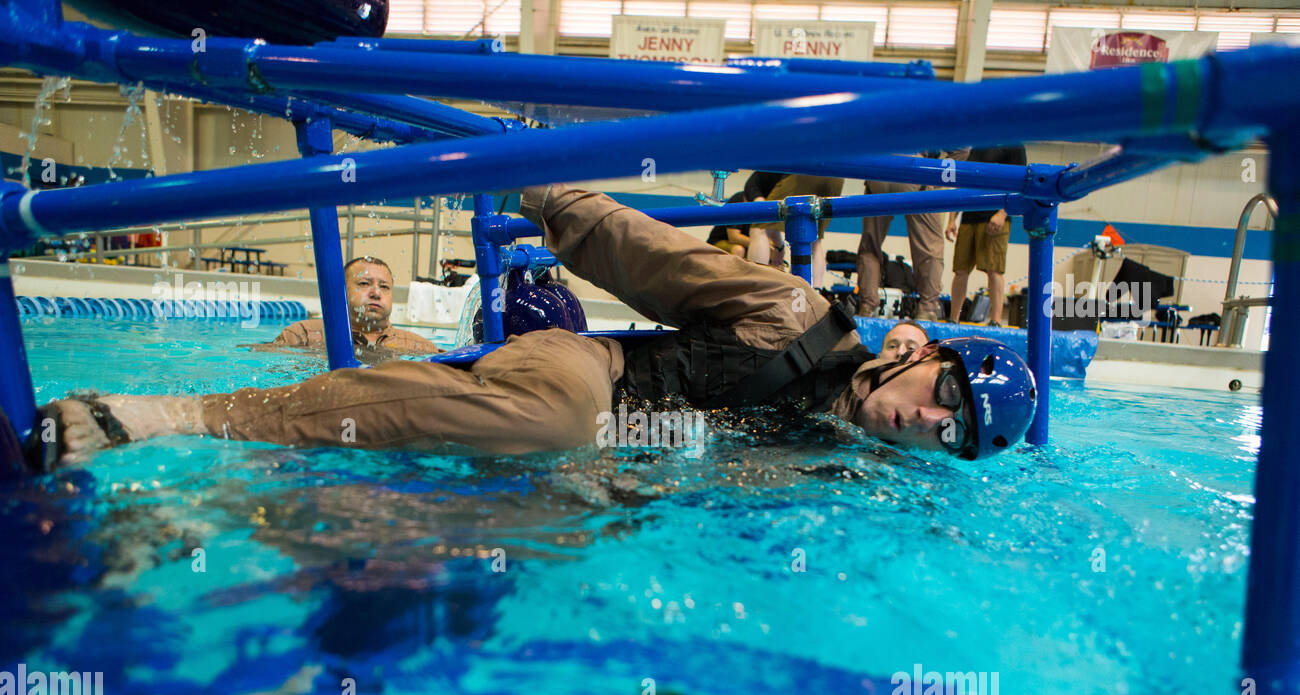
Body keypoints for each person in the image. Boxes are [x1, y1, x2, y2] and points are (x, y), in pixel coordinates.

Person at [29, 184, 1036, 470]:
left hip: (616, 479)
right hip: (588, 384)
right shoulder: (790, 315)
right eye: (946, 395)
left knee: (491, 569)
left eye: (957, 437)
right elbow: (630, 247)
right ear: (916, 348)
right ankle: (182, 411)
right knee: (559, 421)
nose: (930, 424)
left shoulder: (855, 473)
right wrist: (505, 170)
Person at [856, 149, 971, 320]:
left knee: (870, 245)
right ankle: (927, 309)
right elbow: (963, 148)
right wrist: (936, 176)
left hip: (878, 169)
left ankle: (867, 305)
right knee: (929, 247)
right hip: (914, 170)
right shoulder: (931, 120)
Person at [266, 255, 441, 354]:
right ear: (341, 291)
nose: (376, 293)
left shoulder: (418, 347)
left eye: (384, 287)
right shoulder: (304, 336)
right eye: (364, 284)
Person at [945, 144, 1029, 328]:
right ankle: (953, 318)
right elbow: (964, 183)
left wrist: (1003, 213)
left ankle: (996, 320)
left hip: (995, 215)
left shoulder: (1015, 146)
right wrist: (952, 218)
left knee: (994, 270)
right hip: (970, 215)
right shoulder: (979, 145)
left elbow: (1019, 185)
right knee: (960, 270)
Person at [747, 174, 845, 287]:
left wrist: (779, 247)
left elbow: (765, 216)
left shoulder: (754, 184)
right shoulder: (768, 176)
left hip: (806, 169)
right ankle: (815, 293)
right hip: (836, 176)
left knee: (759, 228)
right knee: (815, 240)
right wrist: (780, 247)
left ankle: (756, 288)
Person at [705, 193, 751, 257]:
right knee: (738, 250)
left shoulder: (767, 202)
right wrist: (762, 244)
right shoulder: (740, 199)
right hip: (720, 241)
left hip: (747, 246)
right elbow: (734, 237)